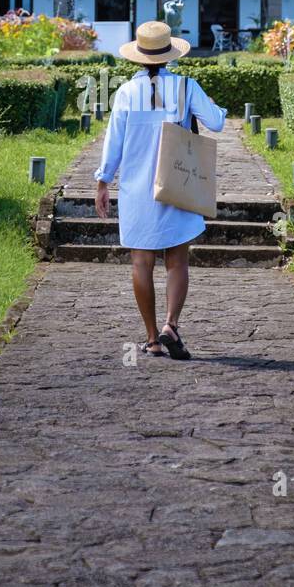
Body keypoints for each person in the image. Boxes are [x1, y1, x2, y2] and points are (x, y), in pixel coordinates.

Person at [94, 20, 227, 360]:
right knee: (177, 260)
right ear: (169, 54)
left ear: (139, 57)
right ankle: (172, 324)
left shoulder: (125, 92)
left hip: (136, 189)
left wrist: (103, 181)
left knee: (141, 263)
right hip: (176, 180)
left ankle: (152, 338)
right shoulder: (186, 86)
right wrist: (214, 104)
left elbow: (115, 144)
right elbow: (215, 122)